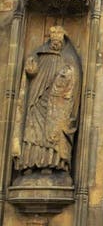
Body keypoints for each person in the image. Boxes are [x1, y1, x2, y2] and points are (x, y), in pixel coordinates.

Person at [12, 25, 81, 175]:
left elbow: (73, 79)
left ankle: (51, 163)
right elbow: (31, 70)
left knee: (53, 133)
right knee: (32, 131)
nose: (56, 44)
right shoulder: (40, 54)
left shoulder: (69, 58)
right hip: (37, 98)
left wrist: (65, 77)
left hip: (57, 101)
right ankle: (28, 163)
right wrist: (30, 70)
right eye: (54, 41)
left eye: (59, 41)